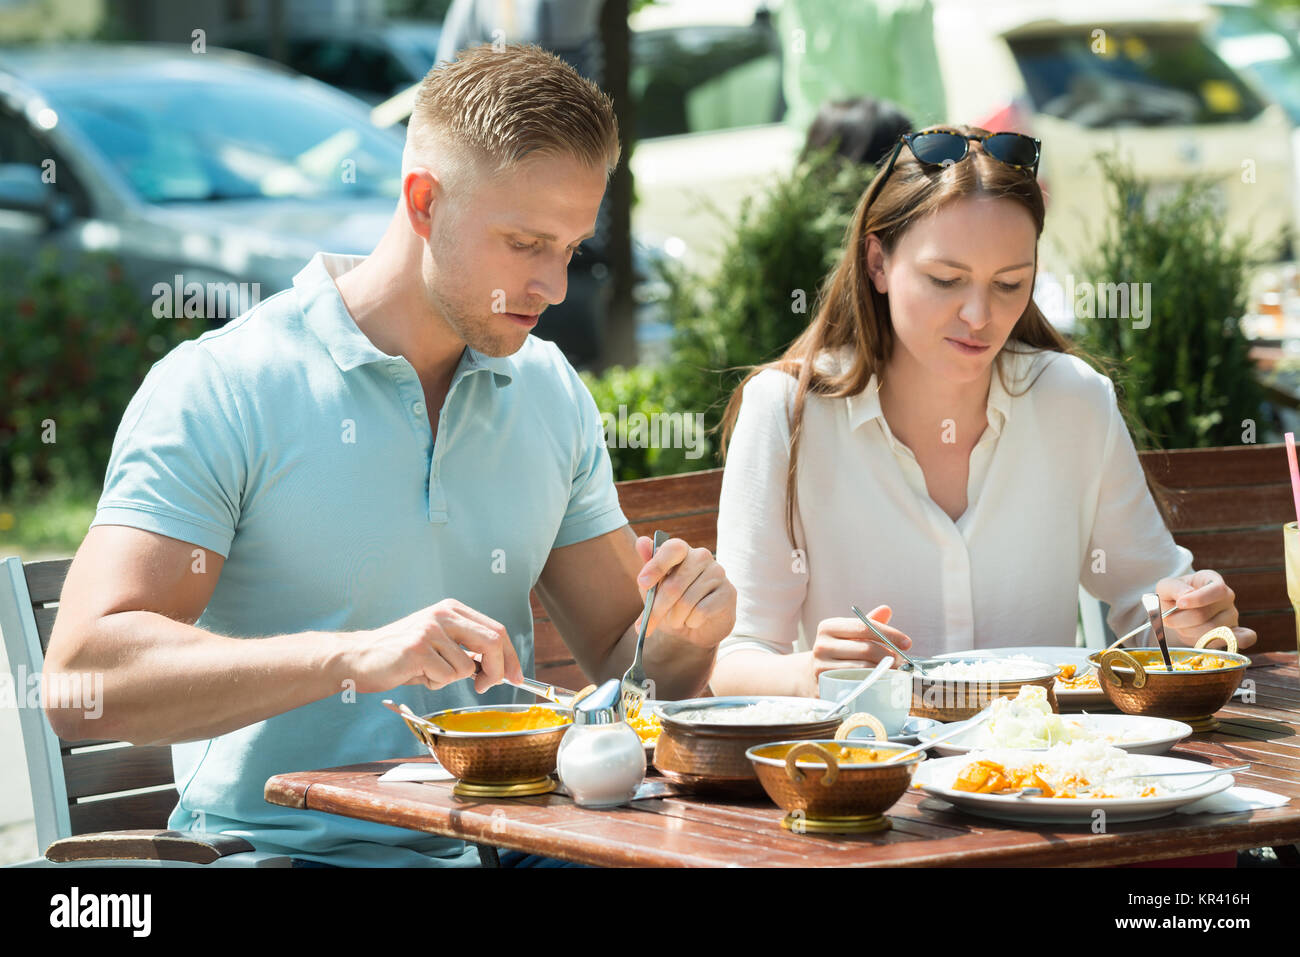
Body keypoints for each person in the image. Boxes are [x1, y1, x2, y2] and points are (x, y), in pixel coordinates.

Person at [42, 44, 736, 867]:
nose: (555, 285)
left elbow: (629, 666)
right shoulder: (224, 387)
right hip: (297, 854)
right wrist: (355, 657)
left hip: (510, 845)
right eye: (524, 242)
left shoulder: (547, 388)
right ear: (423, 201)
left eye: (572, 249)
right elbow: (80, 682)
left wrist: (685, 635)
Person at [707, 125, 1255, 700]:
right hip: (869, 768)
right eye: (946, 280)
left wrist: (1192, 623)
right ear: (876, 263)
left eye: (1009, 284)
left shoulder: (1074, 400)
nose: (980, 315)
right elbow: (733, 658)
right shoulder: (786, 413)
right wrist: (808, 674)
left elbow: (1151, 617)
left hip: (1041, 776)